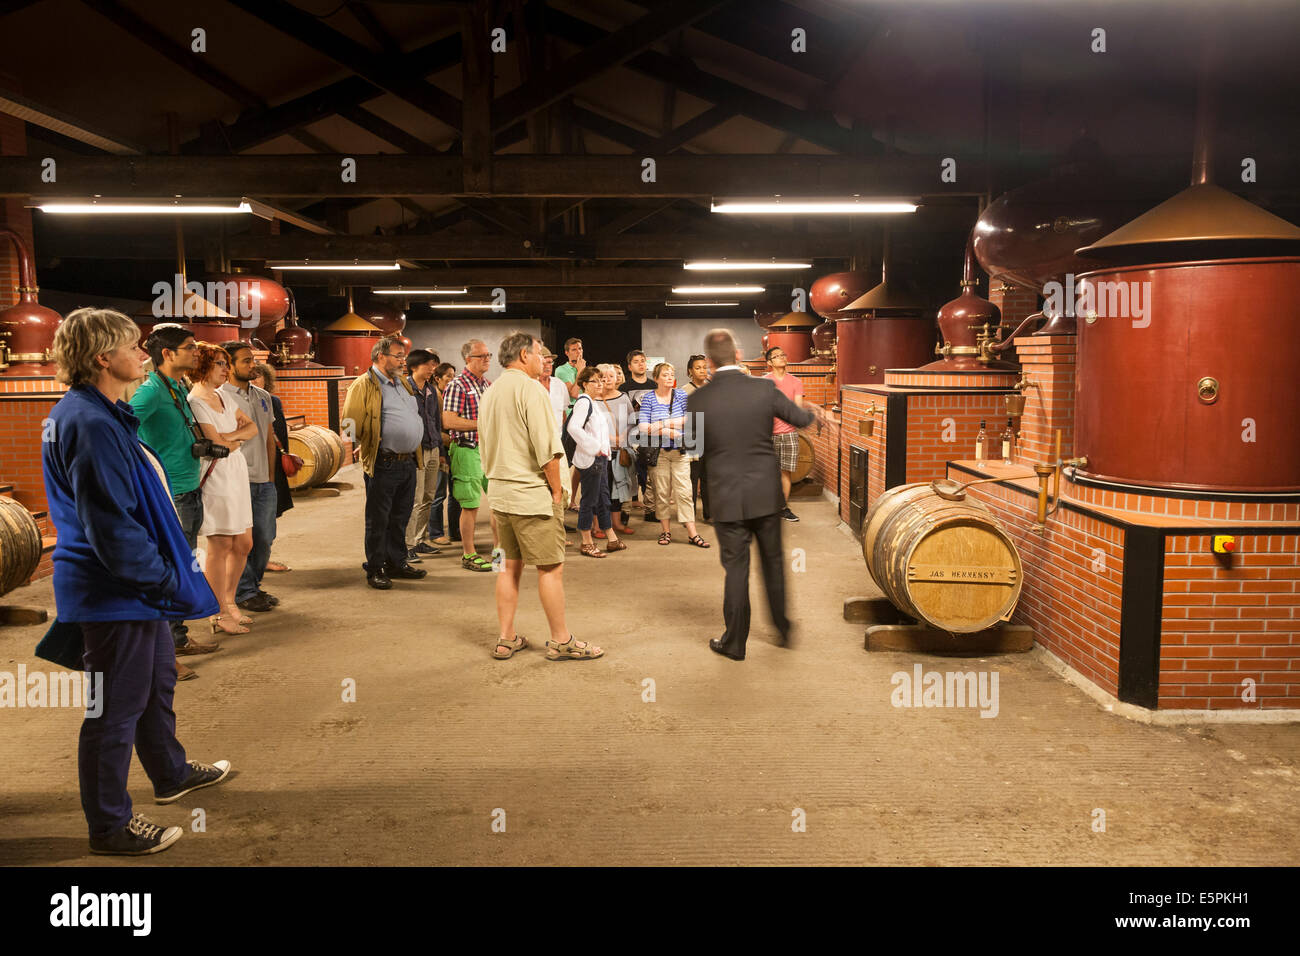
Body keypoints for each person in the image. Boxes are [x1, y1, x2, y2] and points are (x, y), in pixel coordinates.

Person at [43, 307, 231, 855]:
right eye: (133, 346)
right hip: (115, 591)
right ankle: (109, 825)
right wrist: (164, 583)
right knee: (113, 708)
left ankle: (170, 773)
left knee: (154, 685)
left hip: (133, 589)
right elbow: (111, 524)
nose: (144, 355)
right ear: (104, 357)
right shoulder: (89, 421)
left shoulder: (103, 412)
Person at [687, 329, 821, 661]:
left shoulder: (698, 399)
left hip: (726, 497)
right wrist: (818, 412)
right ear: (737, 355)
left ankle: (734, 643)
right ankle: (783, 629)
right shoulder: (765, 388)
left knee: (736, 569)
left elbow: (694, 446)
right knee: (773, 564)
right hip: (765, 493)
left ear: (710, 364)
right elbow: (800, 418)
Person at [479, 331, 603, 662]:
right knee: (551, 568)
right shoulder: (531, 390)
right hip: (531, 497)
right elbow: (548, 450)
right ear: (522, 356)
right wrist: (558, 492)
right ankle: (561, 641)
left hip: (500, 498)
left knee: (504, 566)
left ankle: (506, 639)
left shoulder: (490, 391)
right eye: (538, 354)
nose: (542, 361)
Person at [129, 324, 219, 675]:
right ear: (167, 354)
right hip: (171, 495)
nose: (196, 351)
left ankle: (178, 638)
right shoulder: (150, 392)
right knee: (169, 572)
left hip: (188, 487)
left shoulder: (177, 387)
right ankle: (165, 658)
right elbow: (124, 431)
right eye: (189, 346)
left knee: (182, 568)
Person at [341, 334, 429, 590]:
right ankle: (376, 567)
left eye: (403, 356)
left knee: (400, 517)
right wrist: (363, 443)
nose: (403, 361)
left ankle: (396, 562)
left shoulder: (402, 383)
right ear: (381, 357)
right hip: (384, 461)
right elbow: (349, 422)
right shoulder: (363, 384)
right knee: (379, 519)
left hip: (407, 461)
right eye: (398, 356)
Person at [187, 343, 257, 635]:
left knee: (244, 543)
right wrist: (233, 440)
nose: (226, 369)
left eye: (226, 363)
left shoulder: (222, 396)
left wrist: (230, 440)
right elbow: (213, 444)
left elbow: (251, 427)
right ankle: (216, 612)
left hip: (235, 470)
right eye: (219, 363)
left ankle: (229, 600)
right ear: (201, 366)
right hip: (214, 475)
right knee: (220, 544)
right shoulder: (196, 400)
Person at [221, 341, 281, 613]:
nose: (252, 365)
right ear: (229, 366)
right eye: (245, 361)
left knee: (265, 537)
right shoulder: (219, 397)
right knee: (240, 541)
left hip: (263, 481)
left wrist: (270, 478)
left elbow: (269, 439)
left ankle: (253, 586)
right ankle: (244, 591)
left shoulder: (262, 396)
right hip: (235, 482)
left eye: (252, 360)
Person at [442, 339, 499, 571]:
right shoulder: (458, 385)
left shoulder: (487, 384)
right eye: (481, 356)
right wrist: (482, 424)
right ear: (468, 359)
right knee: (471, 505)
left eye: (488, 355)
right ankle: (468, 554)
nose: (486, 359)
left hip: (488, 450)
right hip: (466, 449)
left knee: (498, 503)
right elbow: (449, 420)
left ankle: (499, 554)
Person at [639, 361, 708, 550]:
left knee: (685, 492)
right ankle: (665, 531)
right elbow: (644, 427)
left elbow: (689, 419)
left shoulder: (681, 395)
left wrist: (661, 423)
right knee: (661, 493)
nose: (670, 377)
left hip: (680, 451)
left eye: (671, 374)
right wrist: (667, 430)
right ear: (656, 378)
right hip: (658, 453)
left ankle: (692, 533)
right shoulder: (649, 399)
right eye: (665, 375)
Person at [567, 366, 626, 557]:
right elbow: (574, 428)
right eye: (595, 381)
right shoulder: (584, 402)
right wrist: (594, 447)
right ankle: (586, 542)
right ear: (585, 384)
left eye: (601, 380)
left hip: (599, 459)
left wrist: (603, 451)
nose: (600, 384)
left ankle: (611, 538)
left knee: (603, 500)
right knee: (589, 502)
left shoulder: (592, 402)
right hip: (591, 459)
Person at [250, 363, 294, 572]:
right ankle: (256, 561)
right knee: (255, 519)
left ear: (265, 379)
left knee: (271, 515)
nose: (253, 380)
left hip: (273, 464)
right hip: (253, 466)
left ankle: (264, 557)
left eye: (257, 377)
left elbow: (281, 434)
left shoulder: (272, 400)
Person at [403, 349, 445, 562]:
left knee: (429, 496)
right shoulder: (405, 389)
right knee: (415, 498)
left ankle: (420, 540)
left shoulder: (431, 390)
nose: (432, 369)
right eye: (428, 365)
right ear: (413, 367)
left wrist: (441, 450)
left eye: (433, 365)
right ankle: (407, 545)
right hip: (415, 450)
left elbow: (436, 421)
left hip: (433, 447)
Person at [764, 345, 805, 522]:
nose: (782, 357)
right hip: (767, 434)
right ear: (769, 362)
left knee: (785, 472)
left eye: (783, 354)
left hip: (789, 433)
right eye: (777, 356)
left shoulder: (796, 382)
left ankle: (783, 508)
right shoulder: (764, 381)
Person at [596, 363, 635, 535]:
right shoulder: (593, 400)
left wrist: (623, 437)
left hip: (620, 451)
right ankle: (597, 526)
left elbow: (632, 420)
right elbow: (592, 426)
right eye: (603, 377)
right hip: (601, 451)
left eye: (611, 376)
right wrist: (612, 438)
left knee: (618, 487)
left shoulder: (623, 397)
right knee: (600, 489)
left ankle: (616, 524)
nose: (608, 380)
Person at [620, 349, 657, 519]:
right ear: (629, 366)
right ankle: (625, 510)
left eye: (643, 360)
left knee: (649, 474)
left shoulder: (654, 385)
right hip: (631, 435)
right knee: (630, 473)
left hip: (651, 435)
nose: (641, 364)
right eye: (636, 361)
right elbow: (622, 415)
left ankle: (650, 509)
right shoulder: (624, 388)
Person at [428, 362, 457, 545]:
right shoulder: (433, 396)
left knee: (457, 492)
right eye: (448, 376)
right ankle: (435, 532)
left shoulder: (450, 394)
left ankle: (456, 530)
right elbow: (433, 427)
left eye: (454, 376)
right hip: (441, 449)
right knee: (438, 492)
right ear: (437, 378)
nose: (451, 380)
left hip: (454, 448)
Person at [683, 353, 711, 522]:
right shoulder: (684, 391)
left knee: (710, 479)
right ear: (690, 371)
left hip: (712, 440)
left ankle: (710, 513)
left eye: (704, 367)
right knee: (692, 479)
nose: (702, 370)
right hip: (693, 440)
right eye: (698, 368)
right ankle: (690, 514)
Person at [554, 336, 585, 406]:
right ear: (567, 353)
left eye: (580, 348)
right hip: (571, 411)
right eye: (574, 350)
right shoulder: (561, 370)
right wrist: (580, 371)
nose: (578, 352)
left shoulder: (587, 370)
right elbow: (574, 394)